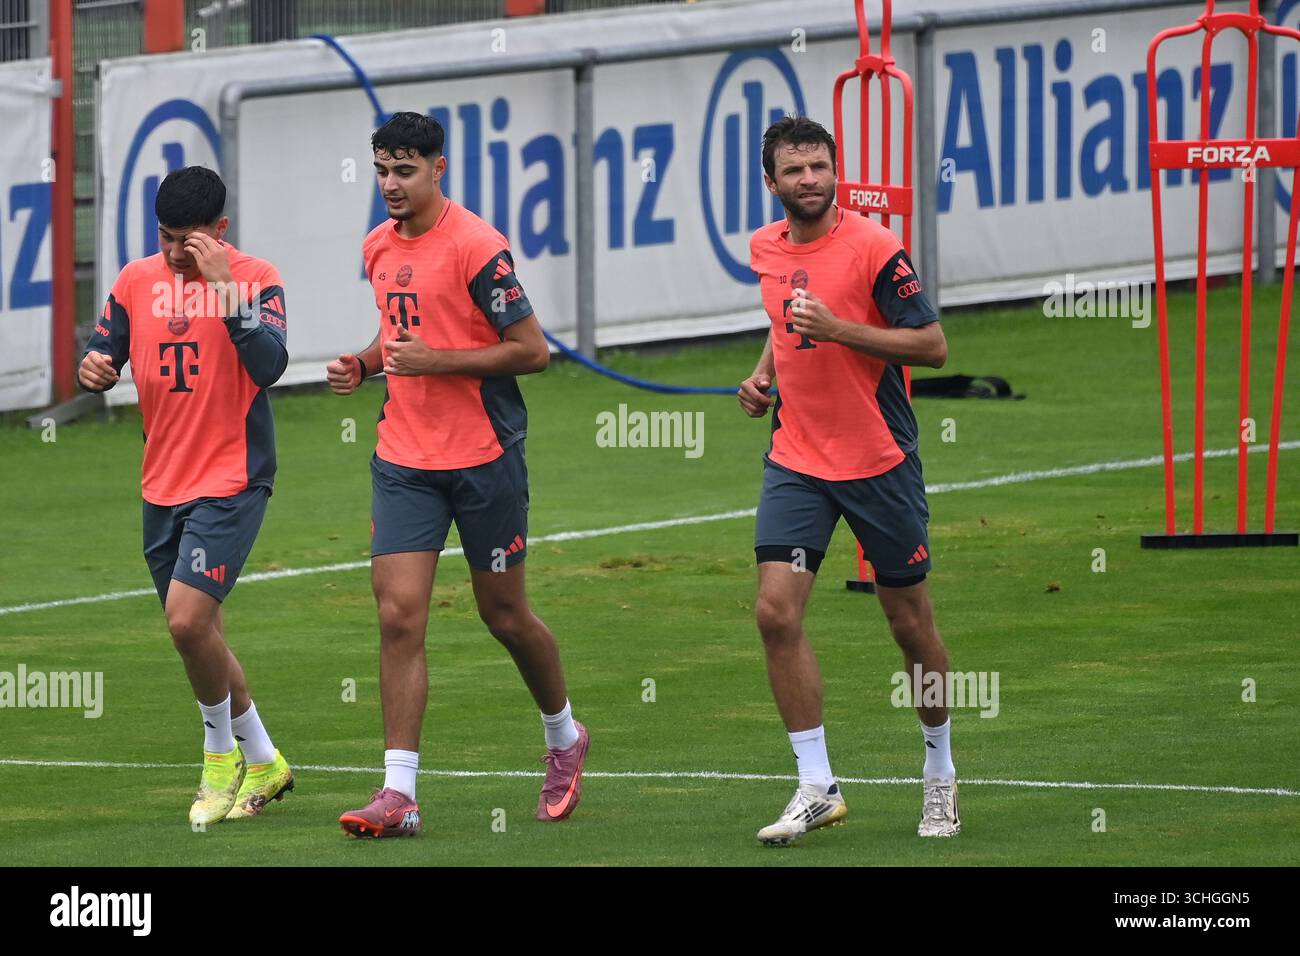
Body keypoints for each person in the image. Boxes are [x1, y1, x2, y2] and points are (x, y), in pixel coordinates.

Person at [329, 112, 588, 838]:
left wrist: (435, 362)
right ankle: (398, 793)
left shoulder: (477, 247)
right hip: (404, 459)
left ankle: (564, 737)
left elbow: (532, 351)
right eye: (382, 170)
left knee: (503, 615)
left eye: (405, 170)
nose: (390, 184)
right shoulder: (378, 245)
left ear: (438, 169)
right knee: (397, 614)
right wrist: (364, 363)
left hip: (483, 458)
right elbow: (398, 335)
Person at [739, 116, 960, 844]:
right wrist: (764, 376)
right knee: (775, 613)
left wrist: (840, 331)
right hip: (797, 459)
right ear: (770, 182)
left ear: (835, 171)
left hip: (877, 461)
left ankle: (939, 773)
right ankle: (817, 786)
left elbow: (931, 345)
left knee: (909, 623)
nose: (809, 180)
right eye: (794, 170)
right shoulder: (765, 248)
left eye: (819, 167)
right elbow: (785, 321)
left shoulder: (875, 248)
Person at [79, 165, 293, 826]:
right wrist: (94, 368)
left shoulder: (255, 279)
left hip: (232, 479)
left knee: (185, 621)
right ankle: (266, 761)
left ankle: (218, 758)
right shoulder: (134, 280)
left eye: (188, 240)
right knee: (200, 636)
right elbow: (103, 351)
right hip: (161, 482)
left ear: (219, 231)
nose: (174, 253)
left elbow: (271, 366)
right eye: (165, 238)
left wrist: (226, 292)